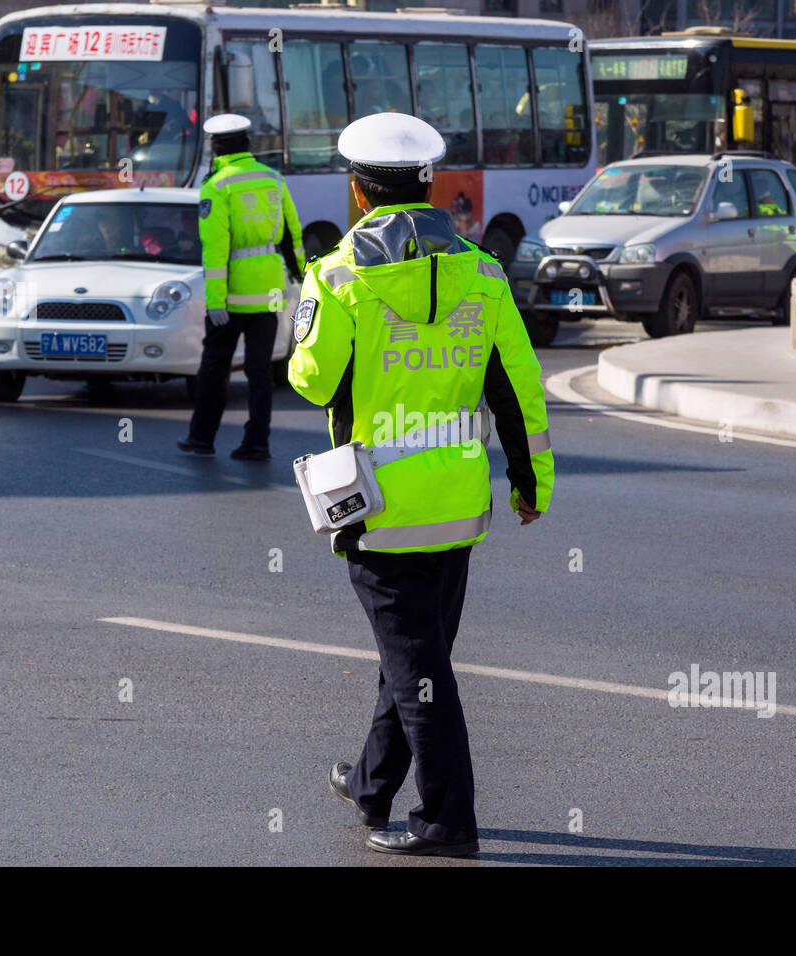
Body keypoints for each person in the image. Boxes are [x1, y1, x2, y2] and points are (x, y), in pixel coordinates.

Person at [289, 113, 555, 856]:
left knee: (418, 671)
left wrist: (317, 302)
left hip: (376, 508)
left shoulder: (340, 277)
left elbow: (312, 383)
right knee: (411, 658)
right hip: (458, 508)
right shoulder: (483, 271)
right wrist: (531, 484)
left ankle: (446, 823)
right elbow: (518, 390)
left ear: (356, 190)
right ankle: (372, 784)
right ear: (431, 184)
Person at [179, 114, 304, 460]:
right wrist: (298, 274)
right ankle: (257, 443)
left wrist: (216, 301)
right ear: (247, 144)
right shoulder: (273, 179)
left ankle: (202, 439)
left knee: (214, 367)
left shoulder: (216, 186)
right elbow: (293, 234)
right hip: (269, 291)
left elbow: (215, 252)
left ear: (215, 148)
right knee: (260, 372)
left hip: (231, 298)